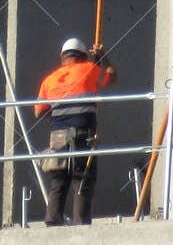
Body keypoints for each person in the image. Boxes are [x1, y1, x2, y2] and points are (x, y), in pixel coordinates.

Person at [34, 37, 116, 225]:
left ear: (63, 57)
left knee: (59, 180)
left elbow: (39, 111)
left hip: (58, 137)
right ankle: (81, 225)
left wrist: (59, 116)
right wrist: (103, 57)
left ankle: (53, 220)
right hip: (83, 134)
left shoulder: (49, 80)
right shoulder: (89, 69)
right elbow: (111, 76)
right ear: (82, 56)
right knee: (82, 180)